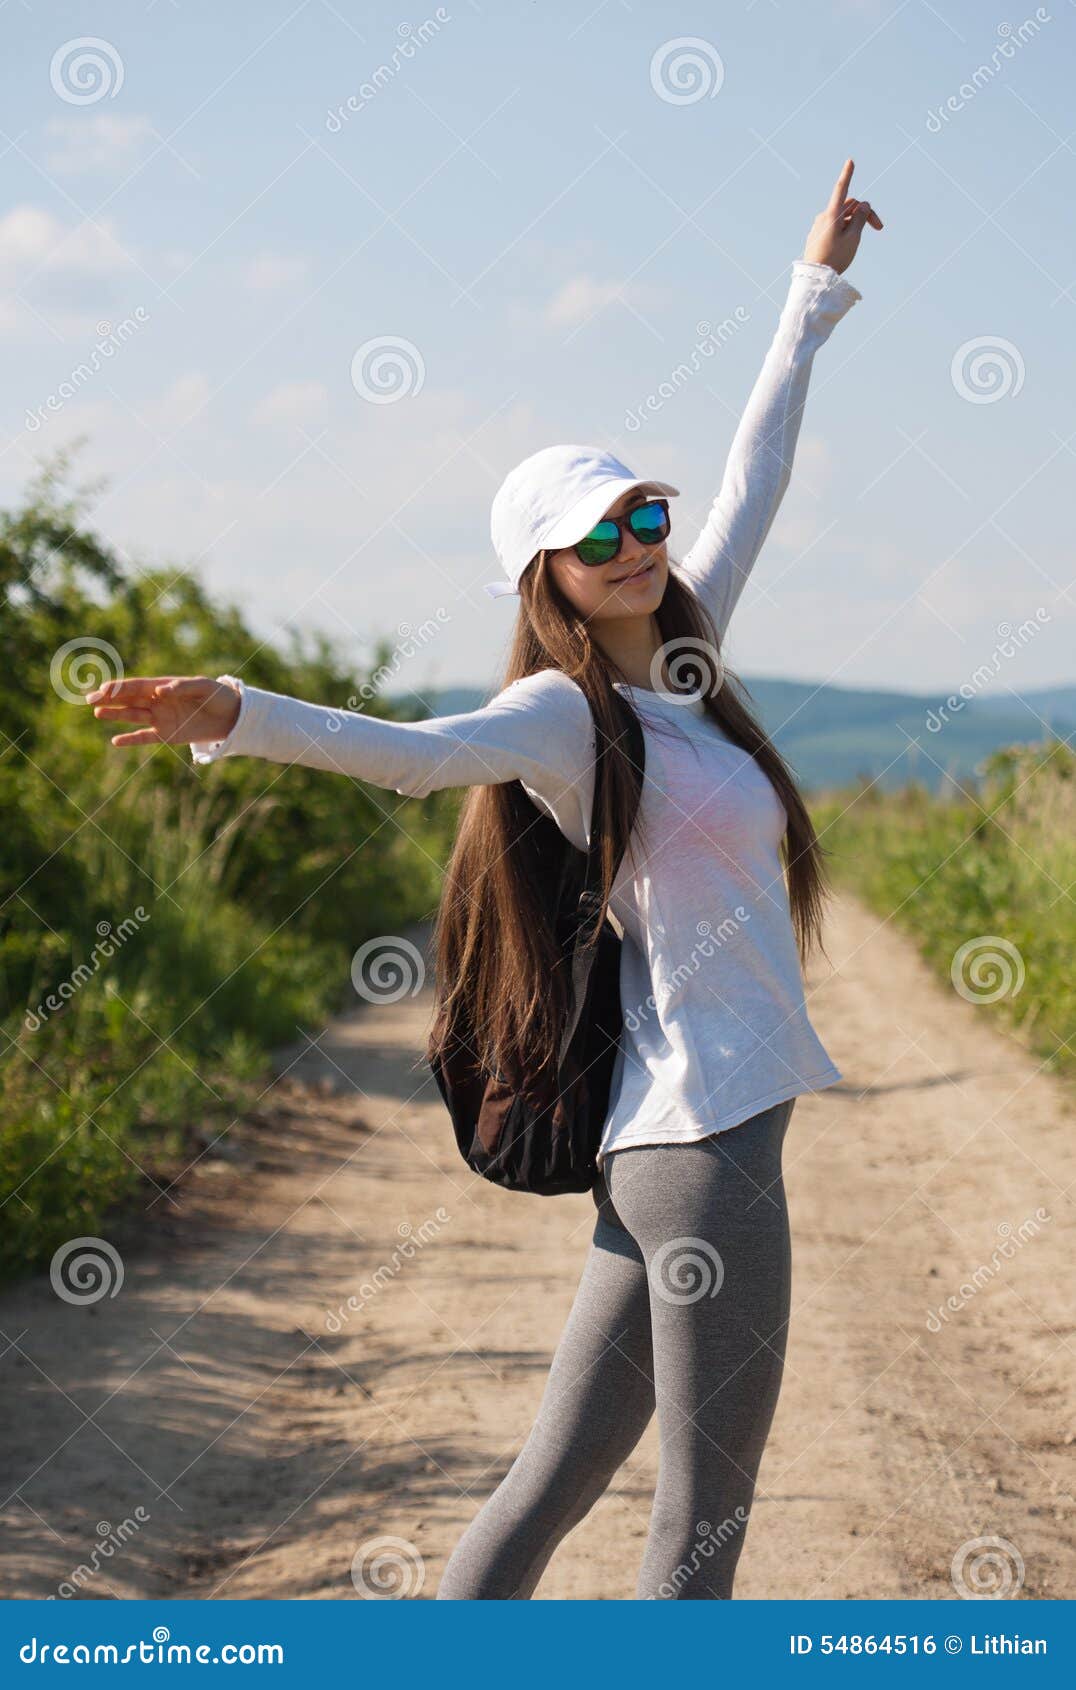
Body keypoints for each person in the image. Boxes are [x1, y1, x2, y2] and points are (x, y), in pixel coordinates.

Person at [86, 158, 881, 1600]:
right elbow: (414, 753)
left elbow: (758, 467)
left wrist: (807, 288)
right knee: (702, 1521)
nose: (636, 546)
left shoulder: (692, 679)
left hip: (672, 1156)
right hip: (698, 1158)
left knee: (546, 1486)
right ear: (546, 576)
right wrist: (240, 712)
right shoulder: (567, 719)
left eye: (642, 516)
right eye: (599, 538)